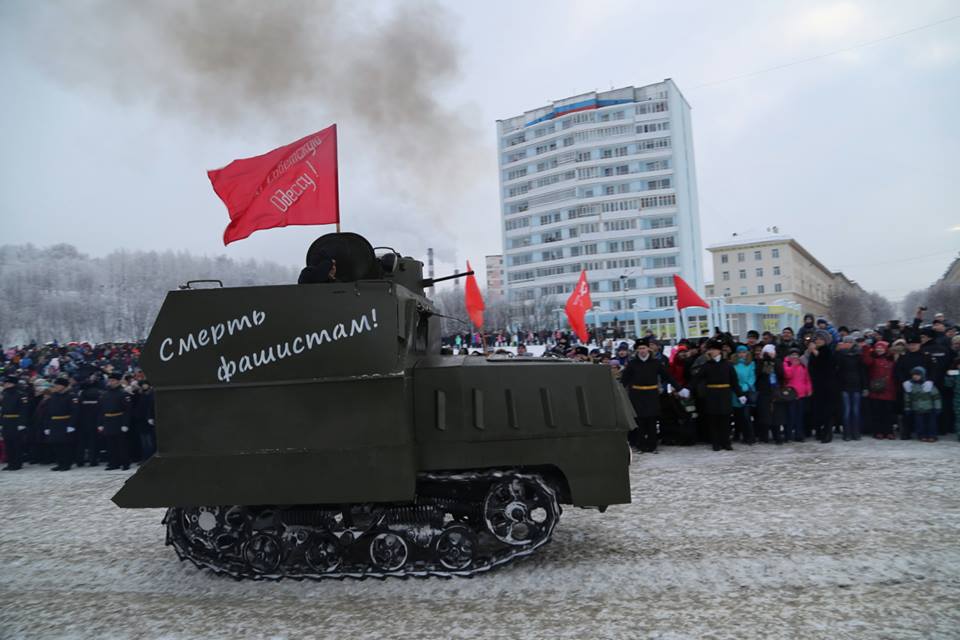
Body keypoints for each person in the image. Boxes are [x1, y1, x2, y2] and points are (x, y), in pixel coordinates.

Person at [620, 339, 689, 453]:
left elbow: (668, 376)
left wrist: (679, 389)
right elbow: (624, 380)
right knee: (640, 420)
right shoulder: (632, 364)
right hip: (637, 395)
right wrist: (618, 391)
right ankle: (641, 444)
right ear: (637, 350)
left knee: (652, 420)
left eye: (644, 348)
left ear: (648, 349)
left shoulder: (656, 363)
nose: (642, 351)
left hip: (651, 394)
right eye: (639, 349)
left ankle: (652, 444)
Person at [692, 339, 745, 451]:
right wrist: (687, 389)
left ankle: (726, 442)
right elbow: (696, 379)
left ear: (719, 351)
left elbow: (734, 382)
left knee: (725, 419)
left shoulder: (728, 365)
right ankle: (715, 443)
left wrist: (740, 394)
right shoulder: (706, 365)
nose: (710, 351)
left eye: (713, 349)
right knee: (713, 420)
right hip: (712, 395)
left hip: (725, 394)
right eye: (709, 349)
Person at [806, 330, 837, 443]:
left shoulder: (827, 351)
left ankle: (827, 433)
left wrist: (814, 351)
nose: (818, 341)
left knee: (827, 410)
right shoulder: (813, 353)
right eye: (817, 339)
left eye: (821, 339)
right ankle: (819, 431)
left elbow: (826, 364)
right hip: (816, 384)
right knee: (818, 409)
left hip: (827, 385)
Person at [862, 341, 897, 438]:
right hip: (876, 389)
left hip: (889, 389)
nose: (879, 349)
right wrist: (866, 349)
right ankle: (878, 431)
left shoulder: (892, 359)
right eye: (877, 347)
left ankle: (889, 431)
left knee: (888, 412)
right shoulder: (873, 359)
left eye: (881, 348)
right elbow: (866, 361)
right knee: (877, 412)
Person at [98, 372, 132, 470]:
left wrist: (125, 424)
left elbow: (127, 410)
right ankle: (113, 463)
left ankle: (125, 463)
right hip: (108, 421)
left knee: (122, 444)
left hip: (119, 420)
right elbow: (101, 410)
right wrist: (100, 423)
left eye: (113, 380)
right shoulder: (105, 394)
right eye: (109, 380)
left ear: (118, 381)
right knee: (110, 444)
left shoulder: (123, 393)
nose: (110, 382)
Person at [835, 336, 866, 440]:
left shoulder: (858, 355)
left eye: (849, 342)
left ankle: (856, 432)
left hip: (856, 385)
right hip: (844, 385)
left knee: (856, 411)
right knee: (846, 411)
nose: (847, 344)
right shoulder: (840, 355)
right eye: (846, 342)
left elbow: (862, 372)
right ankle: (847, 433)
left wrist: (865, 386)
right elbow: (836, 367)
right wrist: (837, 351)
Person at [755, 344, 787, 444]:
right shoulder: (760, 362)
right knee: (764, 414)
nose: (773, 354)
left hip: (775, 390)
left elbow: (781, 374)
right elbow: (761, 374)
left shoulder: (777, 361)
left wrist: (772, 362)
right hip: (764, 390)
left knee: (776, 414)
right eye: (770, 353)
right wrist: (765, 361)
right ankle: (764, 436)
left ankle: (777, 436)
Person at [44, 377, 78, 471]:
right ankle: (59, 463)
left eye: (58, 385)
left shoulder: (71, 396)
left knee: (65, 445)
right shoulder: (53, 396)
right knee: (55, 444)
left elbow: (75, 412)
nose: (56, 386)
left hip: (65, 422)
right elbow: (47, 412)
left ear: (64, 386)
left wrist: (71, 425)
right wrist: (47, 426)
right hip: (54, 423)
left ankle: (66, 463)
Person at [902, 367, 942, 442]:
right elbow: (907, 399)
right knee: (919, 423)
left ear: (922, 375)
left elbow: (936, 397)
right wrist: (907, 408)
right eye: (913, 375)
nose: (915, 376)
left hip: (929, 408)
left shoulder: (928, 385)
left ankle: (932, 435)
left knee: (931, 423)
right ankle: (922, 435)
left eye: (917, 375)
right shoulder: (910, 386)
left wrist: (938, 407)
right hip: (917, 408)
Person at [782, 347, 812, 442]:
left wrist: (809, 389)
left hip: (802, 394)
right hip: (791, 394)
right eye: (793, 355)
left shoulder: (802, 366)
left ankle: (799, 435)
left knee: (800, 416)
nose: (795, 356)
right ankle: (788, 435)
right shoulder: (786, 364)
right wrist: (793, 366)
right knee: (791, 415)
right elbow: (787, 376)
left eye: (796, 355)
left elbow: (807, 379)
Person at [1, 375, 29, 470]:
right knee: (8, 443)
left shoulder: (21, 394)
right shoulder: (4, 393)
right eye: (5, 383)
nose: (5, 384)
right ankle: (10, 462)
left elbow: (24, 410)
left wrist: (22, 423)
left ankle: (17, 463)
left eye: (8, 383)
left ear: (13, 383)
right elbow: (3, 410)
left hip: (15, 421)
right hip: (6, 421)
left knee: (16, 443)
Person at [731, 346, 757, 444]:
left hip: (746, 391)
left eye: (744, 352)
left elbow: (752, 377)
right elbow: (732, 377)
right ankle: (740, 435)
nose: (742, 354)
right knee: (738, 416)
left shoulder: (751, 364)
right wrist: (737, 388)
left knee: (746, 415)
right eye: (740, 352)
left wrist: (746, 386)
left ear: (747, 353)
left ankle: (750, 437)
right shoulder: (733, 364)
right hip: (735, 392)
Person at [133, 379, 156, 460]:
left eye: (145, 384)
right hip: (141, 420)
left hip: (148, 419)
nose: (143, 386)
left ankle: (150, 457)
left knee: (149, 441)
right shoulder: (140, 394)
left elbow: (150, 406)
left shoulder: (152, 394)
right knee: (144, 441)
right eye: (142, 384)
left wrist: (150, 417)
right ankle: (145, 457)